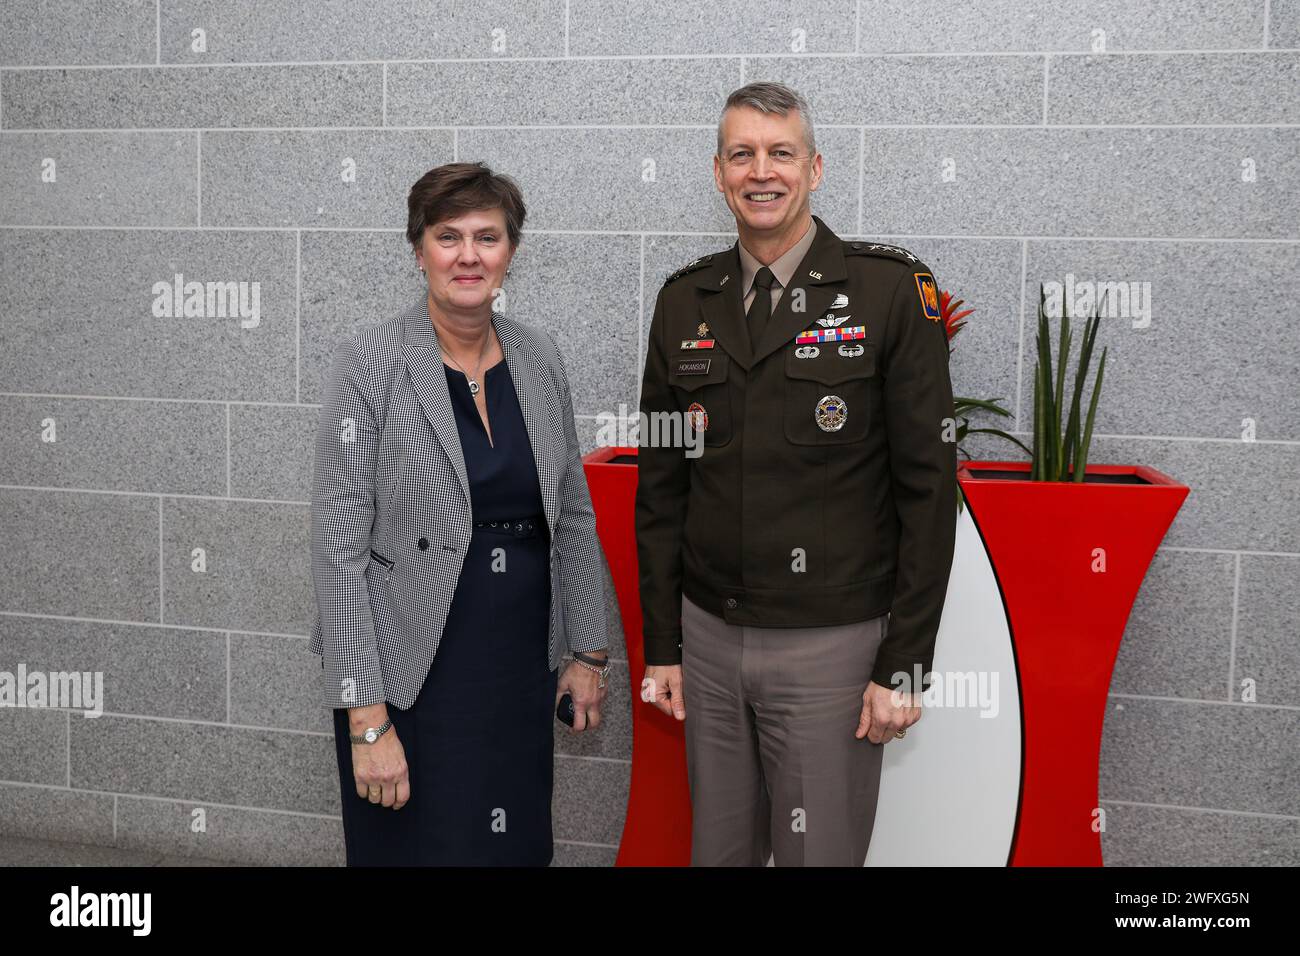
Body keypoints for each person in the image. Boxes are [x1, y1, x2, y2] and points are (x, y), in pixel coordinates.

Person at [635, 83, 957, 865]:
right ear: (718, 173)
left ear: (816, 167)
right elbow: (662, 492)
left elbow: (929, 492)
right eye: (742, 154)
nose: (761, 171)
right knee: (718, 854)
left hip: (833, 650)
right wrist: (663, 646)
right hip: (709, 643)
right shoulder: (685, 302)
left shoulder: (887, 293)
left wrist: (905, 665)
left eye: (780, 153)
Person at [310, 161, 611, 866]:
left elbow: (572, 514)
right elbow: (338, 547)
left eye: (487, 236)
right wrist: (366, 719)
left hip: (518, 663)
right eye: (448, 237)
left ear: (512, 250)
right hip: (412, 674)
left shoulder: (539, 356)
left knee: (514, 847)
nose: (469, 255)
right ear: (418, 250)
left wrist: (588, 652)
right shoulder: (371, 360)